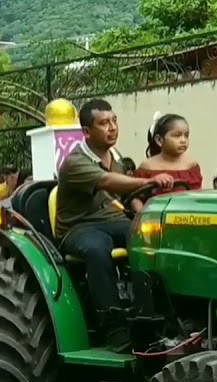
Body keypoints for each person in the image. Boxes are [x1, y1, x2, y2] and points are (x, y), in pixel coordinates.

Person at [55, 98, 174, 349]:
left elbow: (127, 195)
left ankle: (151, 315)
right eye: (103, 123)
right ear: (87, 132)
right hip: (79, 228)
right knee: (97, 249)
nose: (112, 128)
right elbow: (107, 182)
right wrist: (149, 181)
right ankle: (113, 327)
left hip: (114, 221)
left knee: (149, 237)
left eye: (114, 121)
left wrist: (143, 210)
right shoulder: (74, 162)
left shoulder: (117, 159)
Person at [132, 112, 201, 211]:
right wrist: (143, 215)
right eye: (177, 135)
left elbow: (197, 198)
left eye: (186, 135)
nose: (183, 140)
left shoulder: (191, 166)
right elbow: (135, 198)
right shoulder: (147, 167)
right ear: (159, 140)